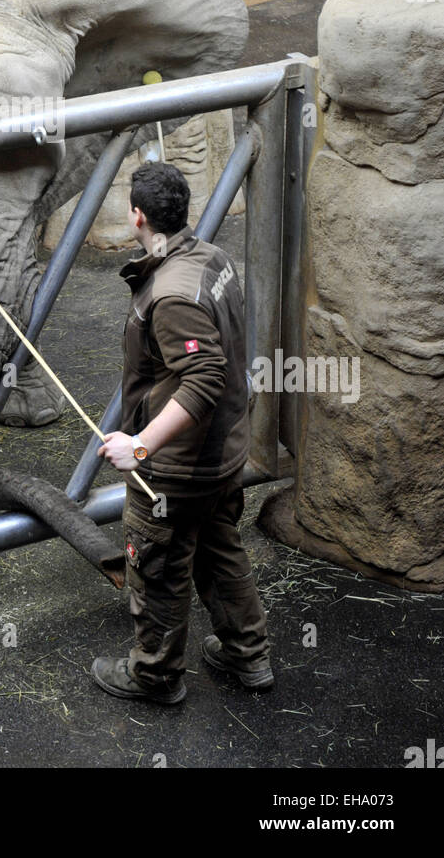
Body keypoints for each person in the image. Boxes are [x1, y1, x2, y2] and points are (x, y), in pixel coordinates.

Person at [92, 161, 273, 704]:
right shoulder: (211, 257)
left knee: (160, 567)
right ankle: (249, 655)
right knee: (220, 552)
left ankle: (155, 675)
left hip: (176, 470)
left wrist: (140, 444)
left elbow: (204, 378)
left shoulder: (169, 294)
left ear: (138, 216)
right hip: (222, 455)